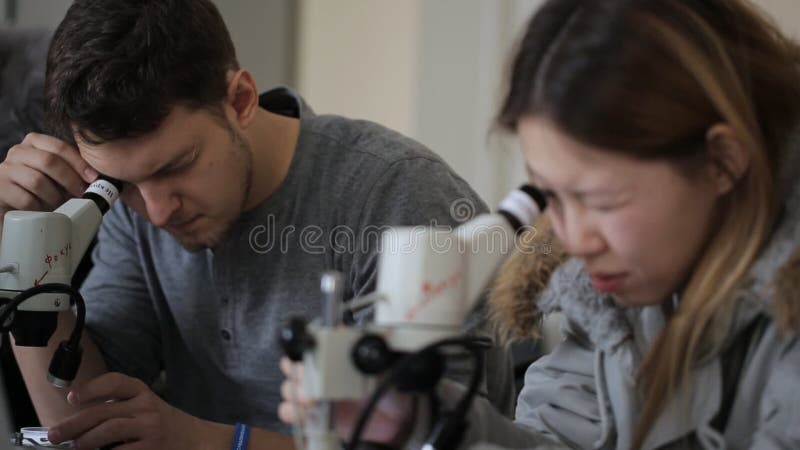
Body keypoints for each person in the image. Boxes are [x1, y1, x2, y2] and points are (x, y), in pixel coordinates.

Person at [279, 0, 800, 448]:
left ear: (723, 162)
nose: (573, 239)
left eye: (600, 200)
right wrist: (421, 423)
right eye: (551, 196)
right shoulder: (602, 298)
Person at [0, 0, 516, 448]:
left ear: (241, 100)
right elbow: (80, 419)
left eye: (175, 167)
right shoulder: (133, 210)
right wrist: (23, 256)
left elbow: (448, 440)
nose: (157, 212)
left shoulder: (398, 198)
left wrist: (211, 442)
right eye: (124, 184)